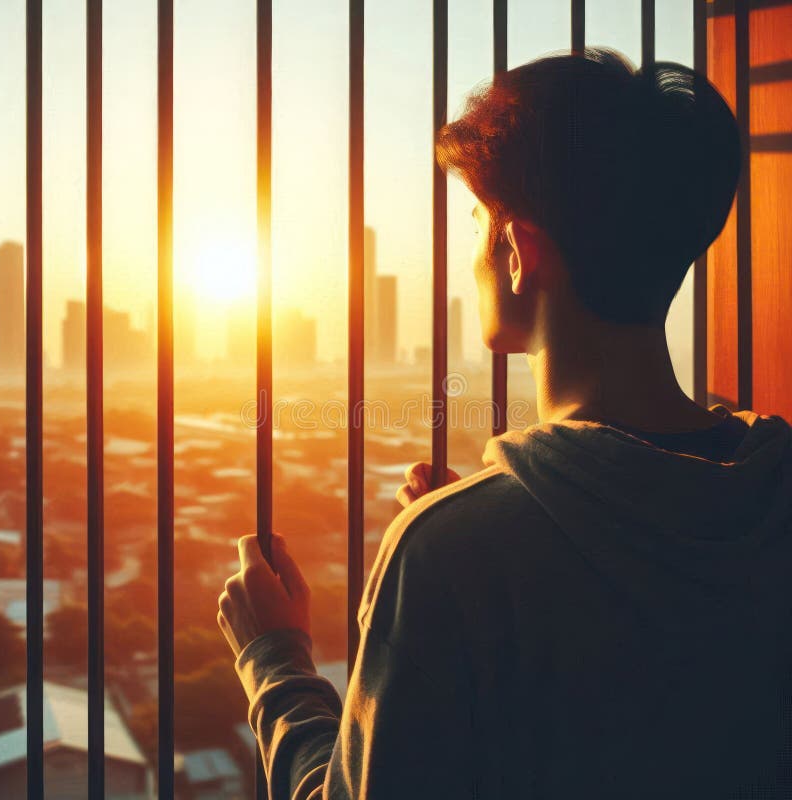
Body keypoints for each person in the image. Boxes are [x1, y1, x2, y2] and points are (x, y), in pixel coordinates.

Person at [217, 49, 792, 799]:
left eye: (479, 222)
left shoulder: (452, 556)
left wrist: (276, 659)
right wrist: (482, 532)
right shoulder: (770, 498)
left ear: (519, 253)